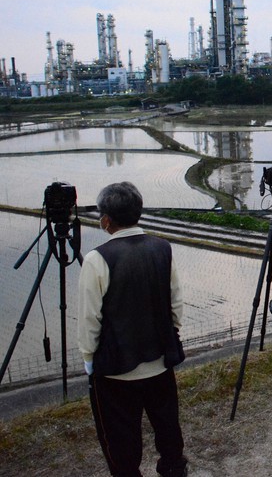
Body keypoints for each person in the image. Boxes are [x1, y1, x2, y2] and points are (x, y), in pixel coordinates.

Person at [78, 182, 188, 477]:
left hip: (116, 369)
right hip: (160, 360)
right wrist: (168, 335)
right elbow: (176, 304)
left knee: (120, 438)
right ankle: (174, 470)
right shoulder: (162, 248)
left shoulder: (96, 259)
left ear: (105, 220)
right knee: (167, 426)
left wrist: (89, 358)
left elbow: (90, 319)